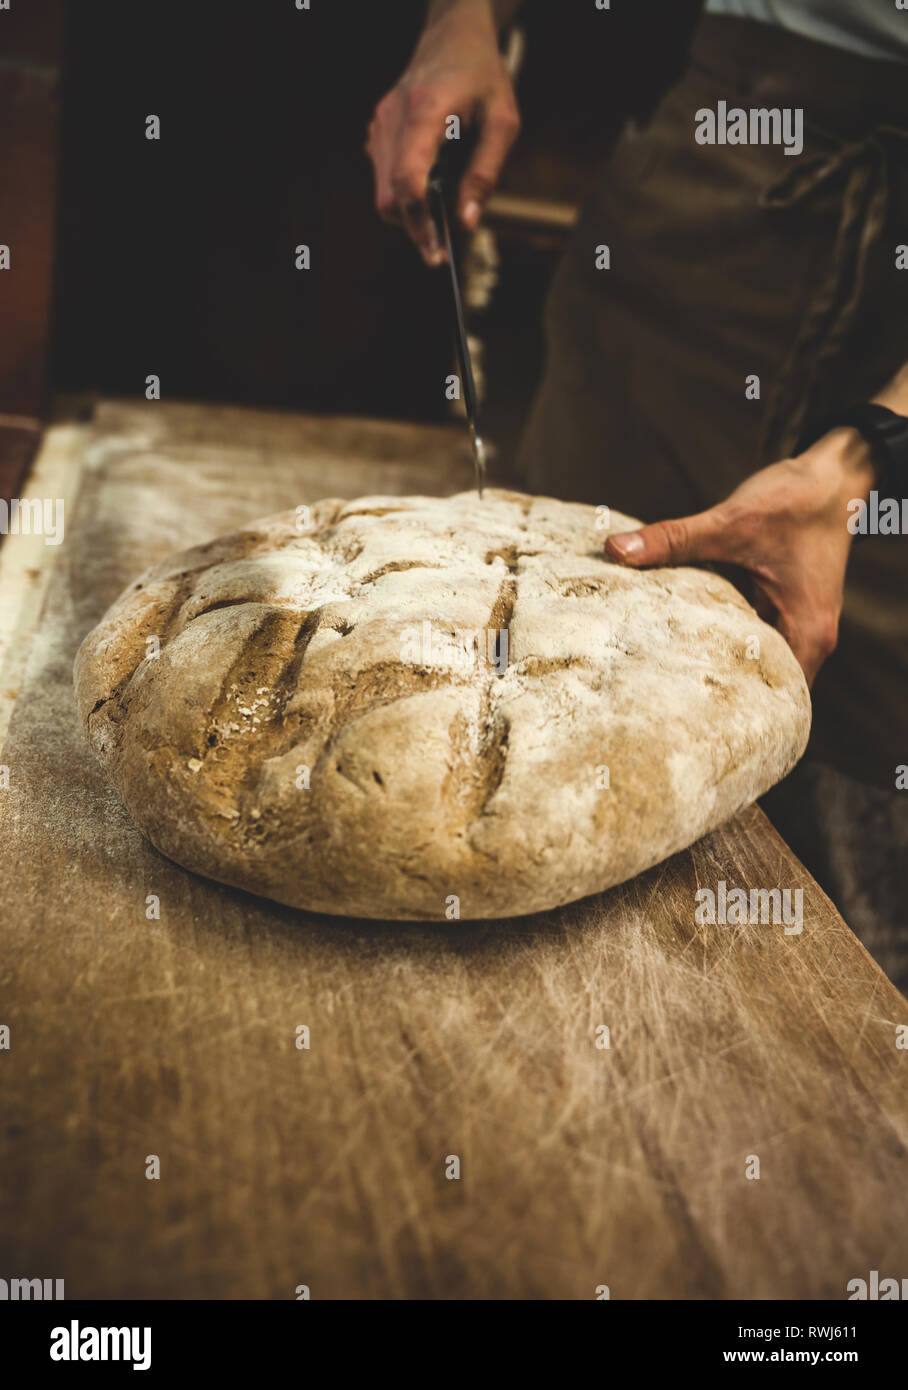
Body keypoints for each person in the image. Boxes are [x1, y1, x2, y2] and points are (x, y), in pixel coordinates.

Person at [366, 0, 908, 988]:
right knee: (535, 670)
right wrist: (466, 17)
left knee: (856, 864)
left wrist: (868, 455)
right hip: (721, 159)